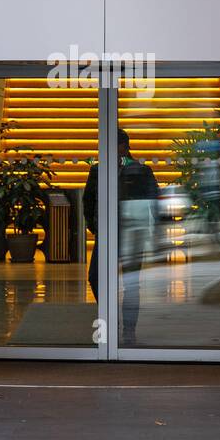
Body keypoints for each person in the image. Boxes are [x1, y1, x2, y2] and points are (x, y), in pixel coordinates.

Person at [83, 128, 159, 346]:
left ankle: (128, 330)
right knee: (95, 277)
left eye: (112, 144)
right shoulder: (97, 171)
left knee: (131, 284)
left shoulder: (141, 171)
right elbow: (88, 200)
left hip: (133, 234)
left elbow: (154, 200)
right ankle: (111, 316)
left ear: (124, 147)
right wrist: (94, 226)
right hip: (106, 233)